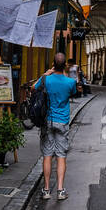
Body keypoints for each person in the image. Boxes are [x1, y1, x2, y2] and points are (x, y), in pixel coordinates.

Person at [35, 52, 78, 202]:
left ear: (53, 64)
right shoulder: (70, 82)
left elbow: (34, 87)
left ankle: (46, 190)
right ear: (65, 65)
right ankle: (60, 190)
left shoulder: (46, 79)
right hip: (63, 122)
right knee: (61, 156)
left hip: (48, 121)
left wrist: (45, 74)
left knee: (47, 155)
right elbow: (73, 93)